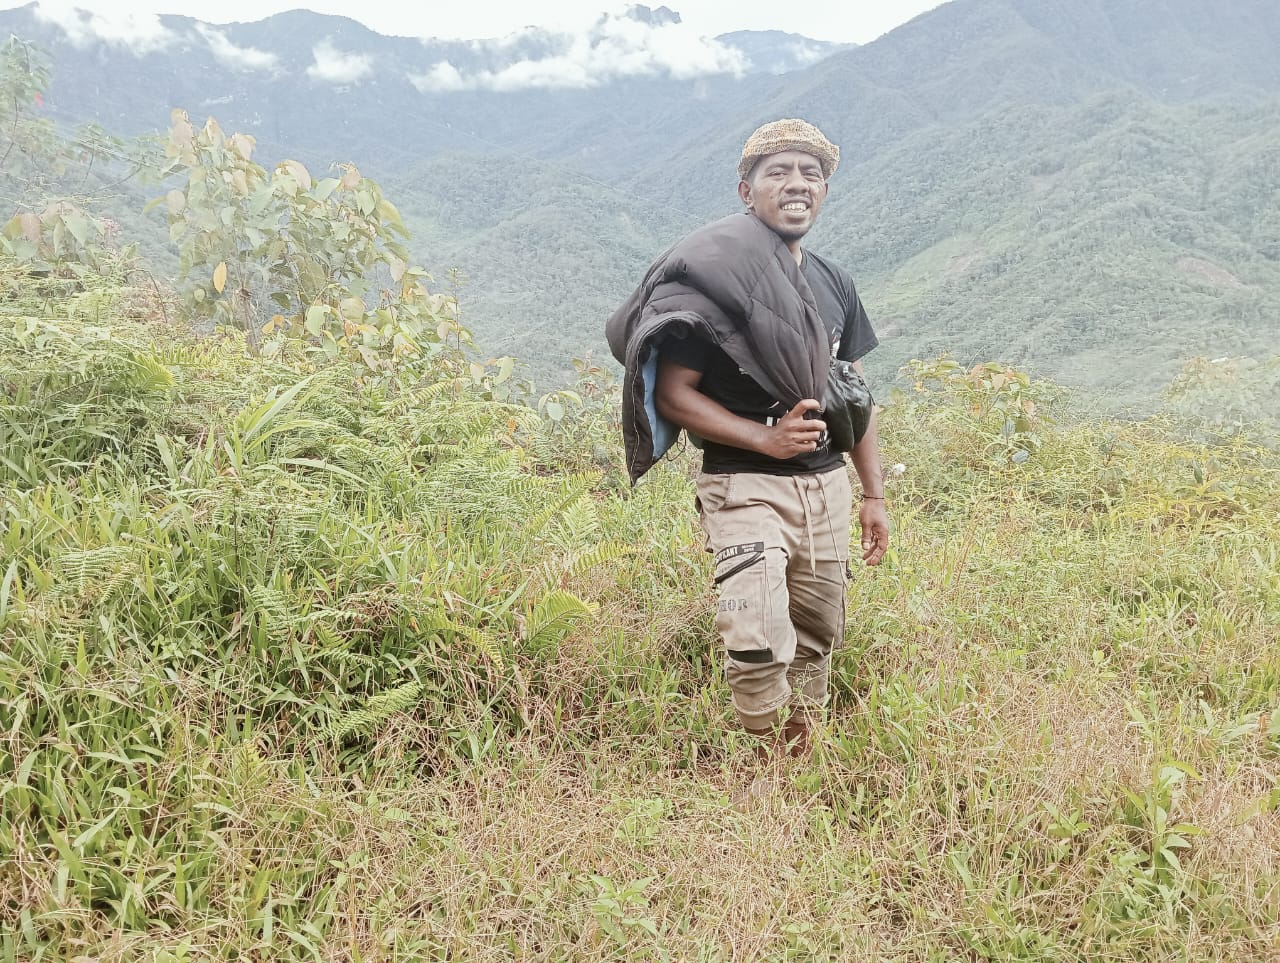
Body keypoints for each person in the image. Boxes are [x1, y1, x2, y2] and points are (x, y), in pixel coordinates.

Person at [606, 118, 889, 761]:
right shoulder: (711, 280)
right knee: (755, 629)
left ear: (824, 191)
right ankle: (760, 766)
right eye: (778, 172)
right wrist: (765, 440)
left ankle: (799, 761)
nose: (797, 184)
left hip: (826, 488)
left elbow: (857, 395)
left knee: (817, 632)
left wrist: (873, 494)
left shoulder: (835, 283)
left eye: (810, 173)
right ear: (745, 190)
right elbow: (675, 393)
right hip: (743, 482)